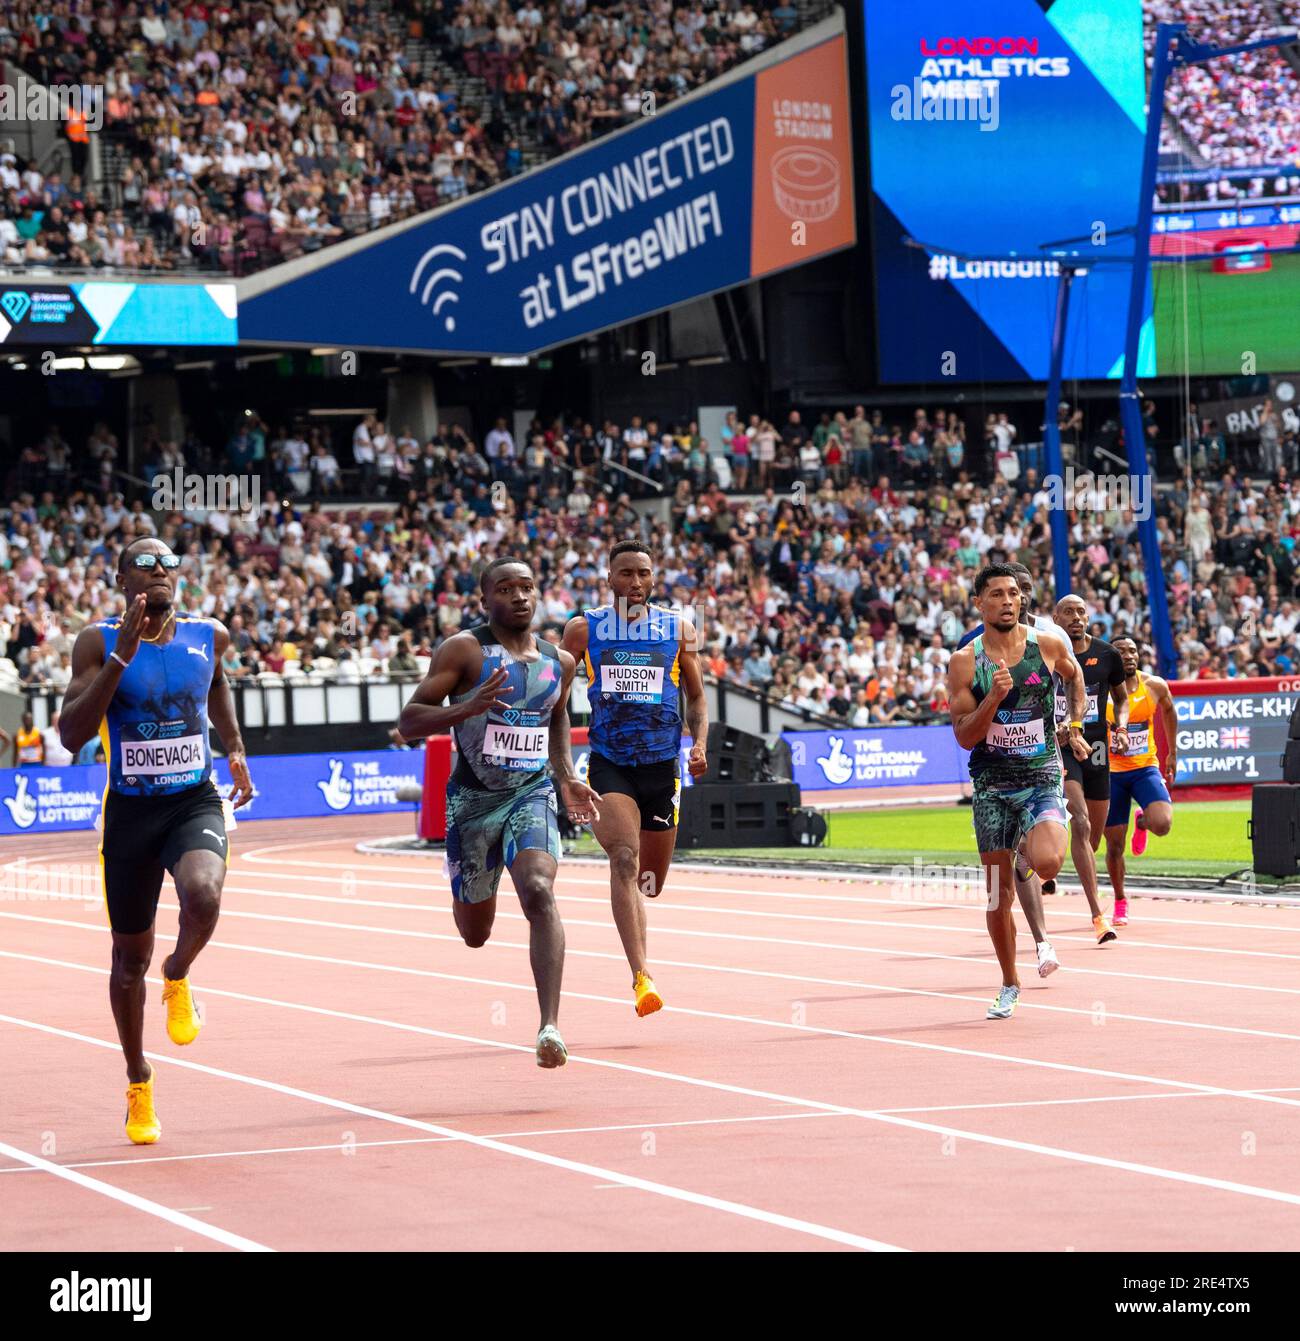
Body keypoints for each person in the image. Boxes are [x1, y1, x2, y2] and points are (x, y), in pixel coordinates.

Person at [58, 538, 255, 1144]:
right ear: (121, 579)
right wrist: (119, 657)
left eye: (169, 562)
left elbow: (216, 683)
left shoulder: (208, 634)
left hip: (192, 799)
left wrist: (235, 748)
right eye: (146, 563)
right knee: (125, 963)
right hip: (131, 816)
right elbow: (70, 735)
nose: (161, 570)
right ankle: (138, 1079)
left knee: (203, 894)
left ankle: (178, 972)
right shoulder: (96, 640)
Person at [398, 558, 601, 1068]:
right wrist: (462, 709)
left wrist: (566, 774)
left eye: (527, 587)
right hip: (472, 804)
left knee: (538, 888)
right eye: (505, 589)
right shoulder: (464, 650)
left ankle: (549, 1026)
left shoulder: (560, 662)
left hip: (531, 793)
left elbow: (558, 722)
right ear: (485, 599)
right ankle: (468, 894)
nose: (519, 597)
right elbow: (409, 722)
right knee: (475, 933)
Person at [561, 541, 708, 1017]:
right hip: (609, 762)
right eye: (626, 574)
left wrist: (699, 742)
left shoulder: (680, 629)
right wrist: (562, 767)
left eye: (644, 573)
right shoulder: (583, 630)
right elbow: (555, 699)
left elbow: (699, 698)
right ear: (609, 579)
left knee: (649, 882)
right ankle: (642, 977)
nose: (636, 583)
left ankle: (641, 946)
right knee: (624, 860)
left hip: (663, 766)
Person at [946, 564, 1087, 1020]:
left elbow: (1074, 676)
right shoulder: (966, 661)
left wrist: (1074, 721)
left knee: (1046, 862)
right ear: (979, 604)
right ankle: (1009, 981)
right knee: (995, 897)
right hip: (991, 784)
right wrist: (992, 699)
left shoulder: (1046, 644)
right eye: (997, 594)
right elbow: (965, 736)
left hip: (1042, 774)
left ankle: (1028, 845)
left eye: (1013, 593)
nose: (1008, 601)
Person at [1053, 595, 1127, 944]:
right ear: (1056, 618)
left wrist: (1122, 727)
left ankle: (1047, 855)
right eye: (1069, 612)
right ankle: (1099, 915)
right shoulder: (1046, 654)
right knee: (1079, 821)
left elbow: (1122, 697)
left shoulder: (1107, 654)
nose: (1077, 618)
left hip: (1097, 748)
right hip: (1063, 748)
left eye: (1082, 612)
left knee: (1093, 836)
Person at [1101, 638, 1177, 926]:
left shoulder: (1154, 685)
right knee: (1115, 846)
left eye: (1133, 651)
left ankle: (1142, 821)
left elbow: (1169, 711)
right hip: (1111, 774)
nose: (1129, 656)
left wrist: (1172, 752)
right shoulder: (1100, 690)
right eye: (1121, 653)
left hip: (1145, 768)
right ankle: (1120, 900)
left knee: (1163, 824)